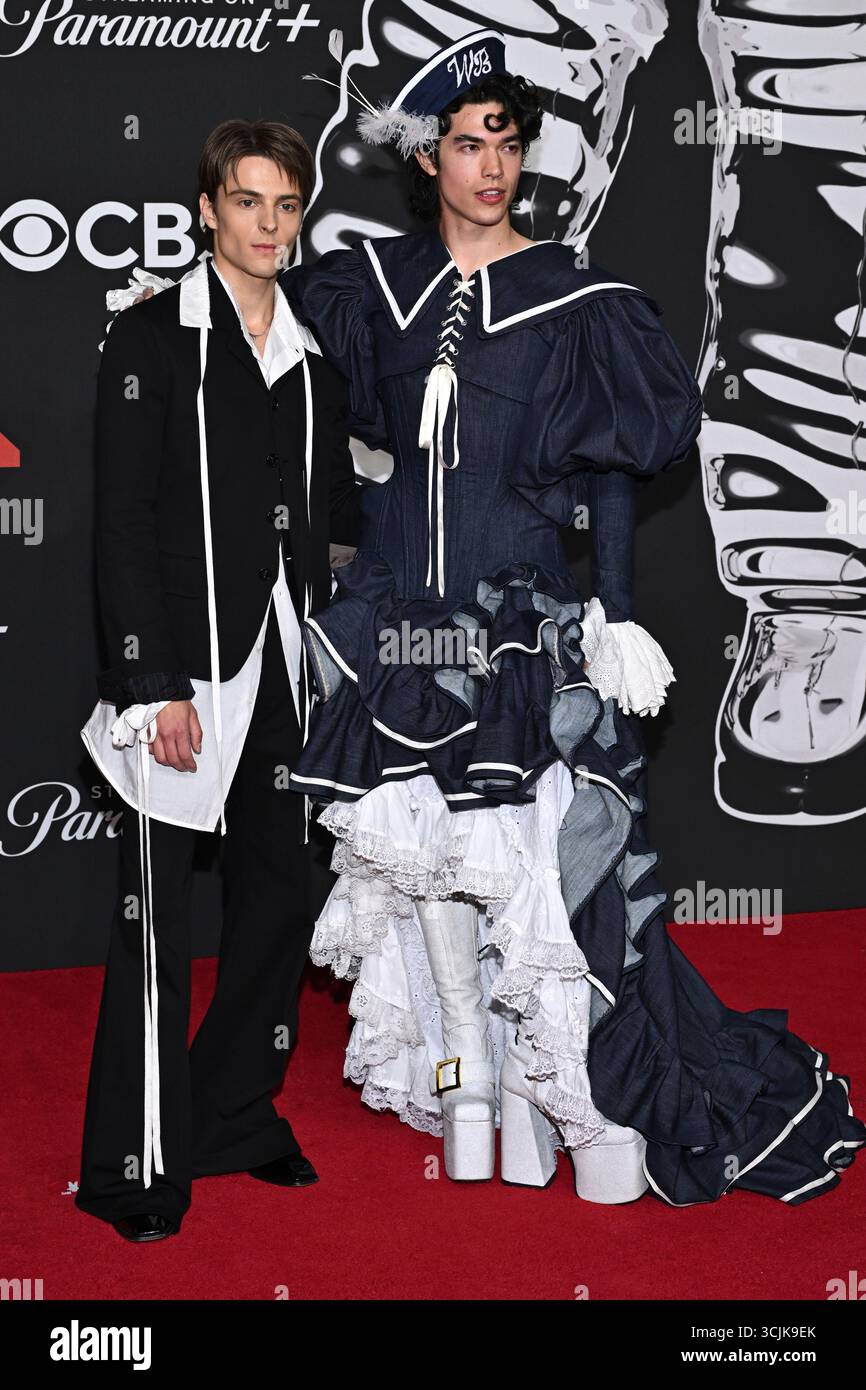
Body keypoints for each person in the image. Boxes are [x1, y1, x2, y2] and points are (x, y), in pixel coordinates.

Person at [276, 29, 866, 1204]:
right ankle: (467, 1082)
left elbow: (607, 472)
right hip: (396, 609)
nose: (489, 165)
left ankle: (578, 1089)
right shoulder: (362, 285)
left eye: (505, 140)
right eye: (464, 143)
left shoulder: (578, 296)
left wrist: (613, 611)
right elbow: (267, 365)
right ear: (425, 158)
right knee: (426, 860)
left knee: (542, 867)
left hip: (517, 613)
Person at [76, 119, 365, 1241]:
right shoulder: (150, 341)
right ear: (207, 209)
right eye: (248, 202)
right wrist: (150, 682)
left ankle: (235, 1114)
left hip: (284, 674)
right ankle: (132, 1167)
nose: (269, 225)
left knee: (278, 906)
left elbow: (332, 522)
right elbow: (122, 525)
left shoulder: (311, 362)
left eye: (287, 205)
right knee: (153, 922)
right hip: (184, 679)